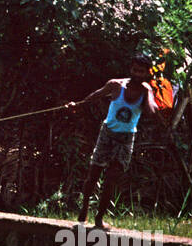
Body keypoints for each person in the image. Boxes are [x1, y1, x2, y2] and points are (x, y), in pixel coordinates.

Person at [65, 54, 159, 228]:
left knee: (111, 179)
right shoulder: (116, 85)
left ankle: (99, 219)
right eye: (135, 70)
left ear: (147, 73)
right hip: (107, 133)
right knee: (93, 174)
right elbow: (96, 95)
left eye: (141, 71)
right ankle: (83, 211)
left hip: (126, 138)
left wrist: (150, 95)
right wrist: (77, 105)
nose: (137, 74)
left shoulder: (146, 90)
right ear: (131, 69)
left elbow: (152, 110)